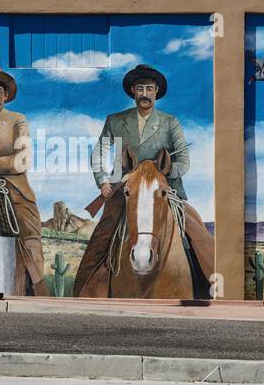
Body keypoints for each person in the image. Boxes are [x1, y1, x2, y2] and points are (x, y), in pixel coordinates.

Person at [74, 63, 215, 297]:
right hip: (125, 189)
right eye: (140, 89)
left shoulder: (170, 122)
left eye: (149, 89)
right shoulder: (116, 120)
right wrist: (103, 181)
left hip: (164, 190)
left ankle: (211, 282)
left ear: (156, 92)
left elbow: (184, 160)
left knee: (196, 231)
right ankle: (85, 288)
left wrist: (163, 176)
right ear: (133, 91)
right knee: (102, 235)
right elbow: (100, 151)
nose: (144, 94)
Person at [0, 69, 48, 295]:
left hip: (13, 187)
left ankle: (35, 288)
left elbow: (22, 160)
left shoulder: (18, 120)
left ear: (5, 96)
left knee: (30, 236)